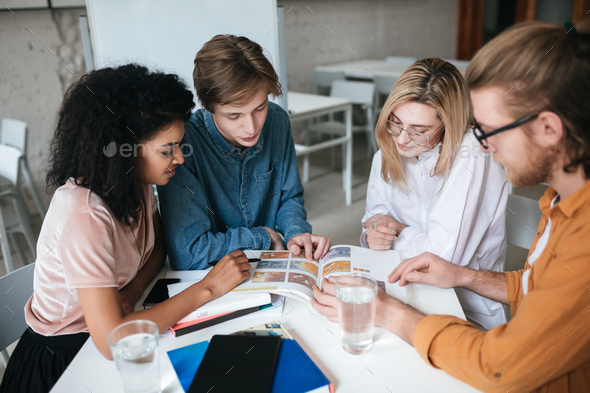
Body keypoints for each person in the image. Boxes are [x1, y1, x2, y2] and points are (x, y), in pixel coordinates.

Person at [312, 21, 590, 393]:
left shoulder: (583, 233)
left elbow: (499, 369)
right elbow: (531, 286)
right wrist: (463, 275)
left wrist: (390, 312)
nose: (484, 146)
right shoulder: (558, 201)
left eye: (490, 130)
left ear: (549, 130)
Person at [0, 64, 252, 393]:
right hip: (62, 365)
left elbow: (158, 248)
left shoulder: (138, 184)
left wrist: (132, 292)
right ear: (126, 151)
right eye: (167, 150)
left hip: (99, 342)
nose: (180, 159)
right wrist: (209, 288)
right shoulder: (85, 213)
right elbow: (110, 341)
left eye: (179, 145)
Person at [157, 34, 330, 270]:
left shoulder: (277, 121)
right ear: (209, 107)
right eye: (234, 116)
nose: (251, 127)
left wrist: (295, 232)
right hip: (210, 280)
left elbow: (289, 197)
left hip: (269, 268)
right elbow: (189, 254)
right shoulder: (183, 144)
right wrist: (263, 237)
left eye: (260, 107)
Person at [361, 58, 508, 330]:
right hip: (402, 289)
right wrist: (373, 231)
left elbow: (443, 260)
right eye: (395, 122)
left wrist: (399, 230)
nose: (402, 139)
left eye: (419, 131)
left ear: (448, 124)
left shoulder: (473, 151)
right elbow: (375, 217)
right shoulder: (388, 152)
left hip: (465, 308)